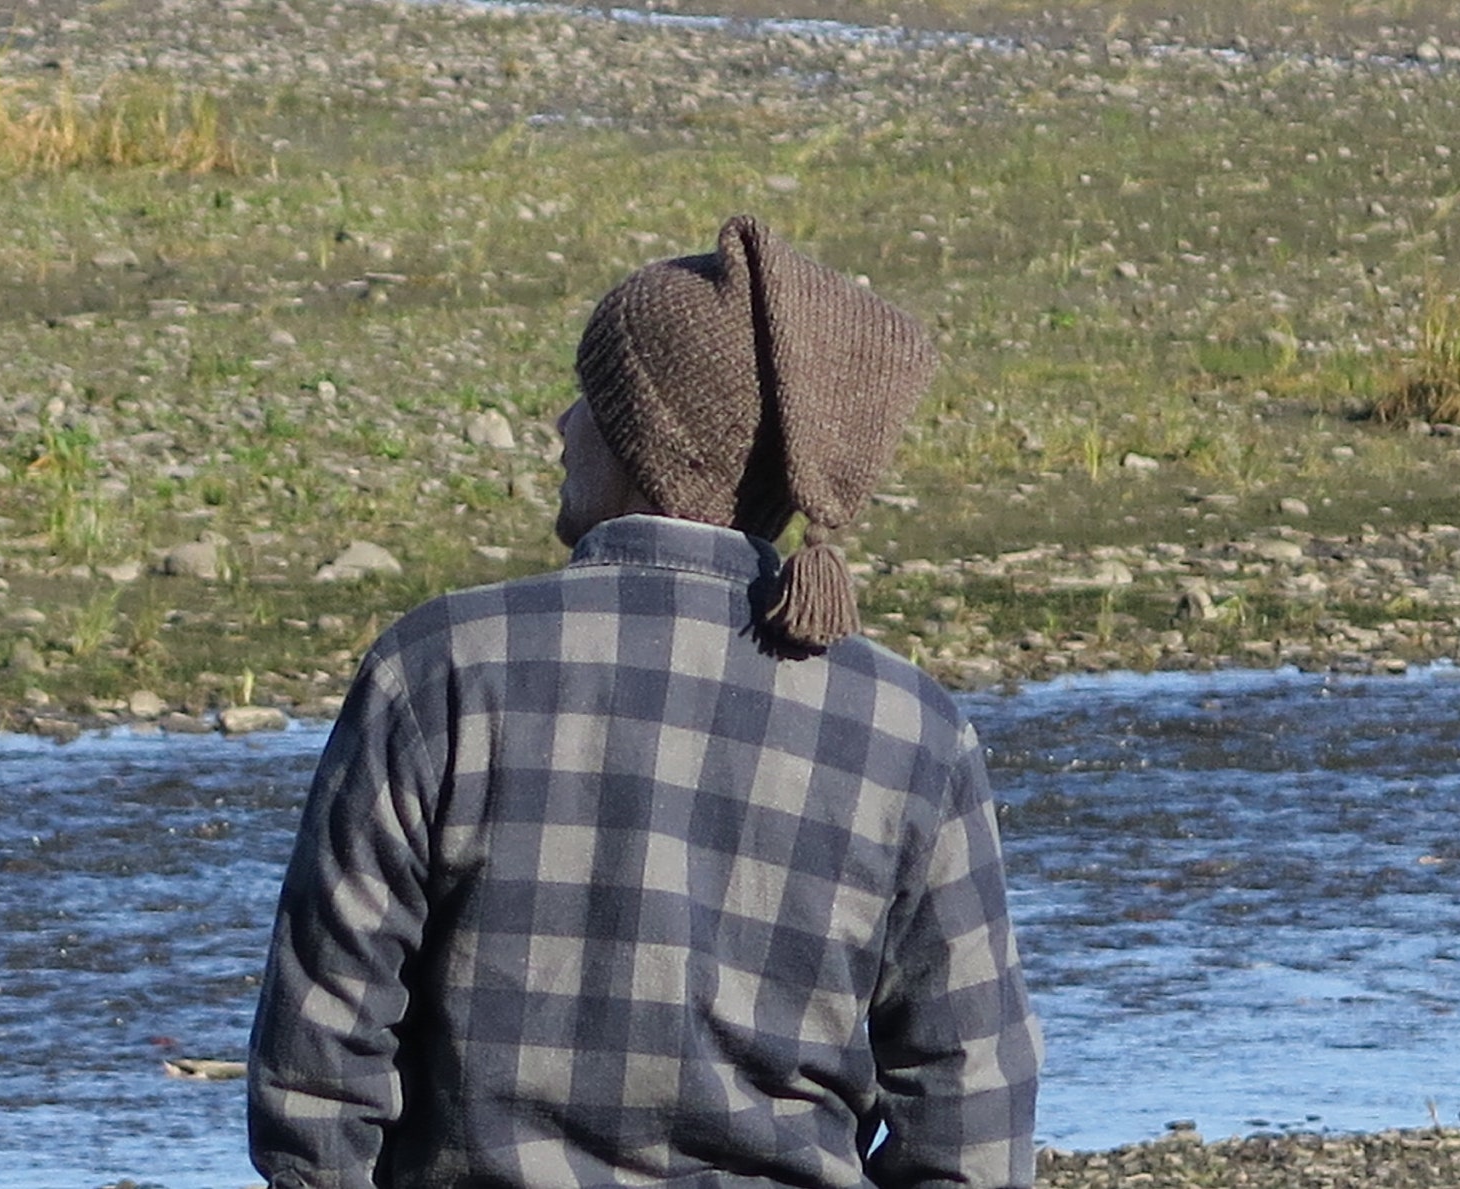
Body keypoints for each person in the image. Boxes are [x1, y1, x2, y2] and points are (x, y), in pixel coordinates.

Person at [248, 214, 1042, 1189]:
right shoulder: (912, 729)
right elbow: (973, 1120)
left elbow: (317, 1073)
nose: (561, 424)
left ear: (641, 439)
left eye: (589, 397)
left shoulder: (443, 668)